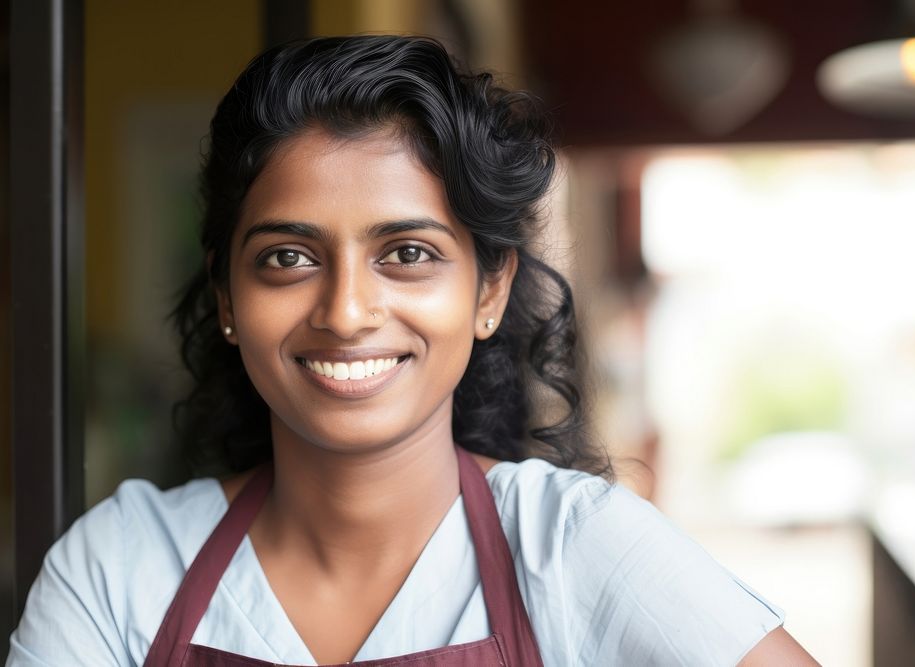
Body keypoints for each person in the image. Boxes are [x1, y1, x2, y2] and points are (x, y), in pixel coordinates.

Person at [7, 35, 817, 666]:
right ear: (226, 296)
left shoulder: (576, 546)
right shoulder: (121, 567)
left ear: (489, 291)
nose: (346, 312)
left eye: (407, 253)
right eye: (288, 257)